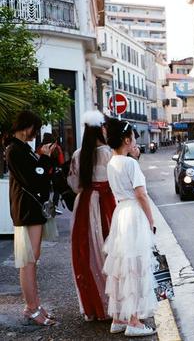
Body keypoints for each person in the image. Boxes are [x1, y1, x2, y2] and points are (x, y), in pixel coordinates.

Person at [103, 117, 157, 337]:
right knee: (135, 265)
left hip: (120, 213)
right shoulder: (130, 163)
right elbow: (141, 194)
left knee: (121, 266)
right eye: (133, 137)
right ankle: (134, 322)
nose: (135, 141)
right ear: (127, 139)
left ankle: (118, 318)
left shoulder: (112, 162)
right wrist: (151, 221)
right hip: (133, 213)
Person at [6, 110, 57, 326]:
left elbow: (38, 176)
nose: (34, 134)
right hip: (26, 210)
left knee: (32, 259)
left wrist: (42, 160)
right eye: (34, 129)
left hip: (31, 209)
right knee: (28, 261)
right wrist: (44, 158)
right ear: (26, 126)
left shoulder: (22, 149)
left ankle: (34, 305)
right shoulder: (14, 150)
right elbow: (34, 179)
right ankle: (31, 308)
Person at [67, 110, 116, 321]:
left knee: (87, 253)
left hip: (85, 206)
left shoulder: (79, 154)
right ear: (101, 130)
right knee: (111, 252)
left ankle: (94, 306)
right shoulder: (109, 153)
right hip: (106, 204)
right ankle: (114, 304)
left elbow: (75, 185)